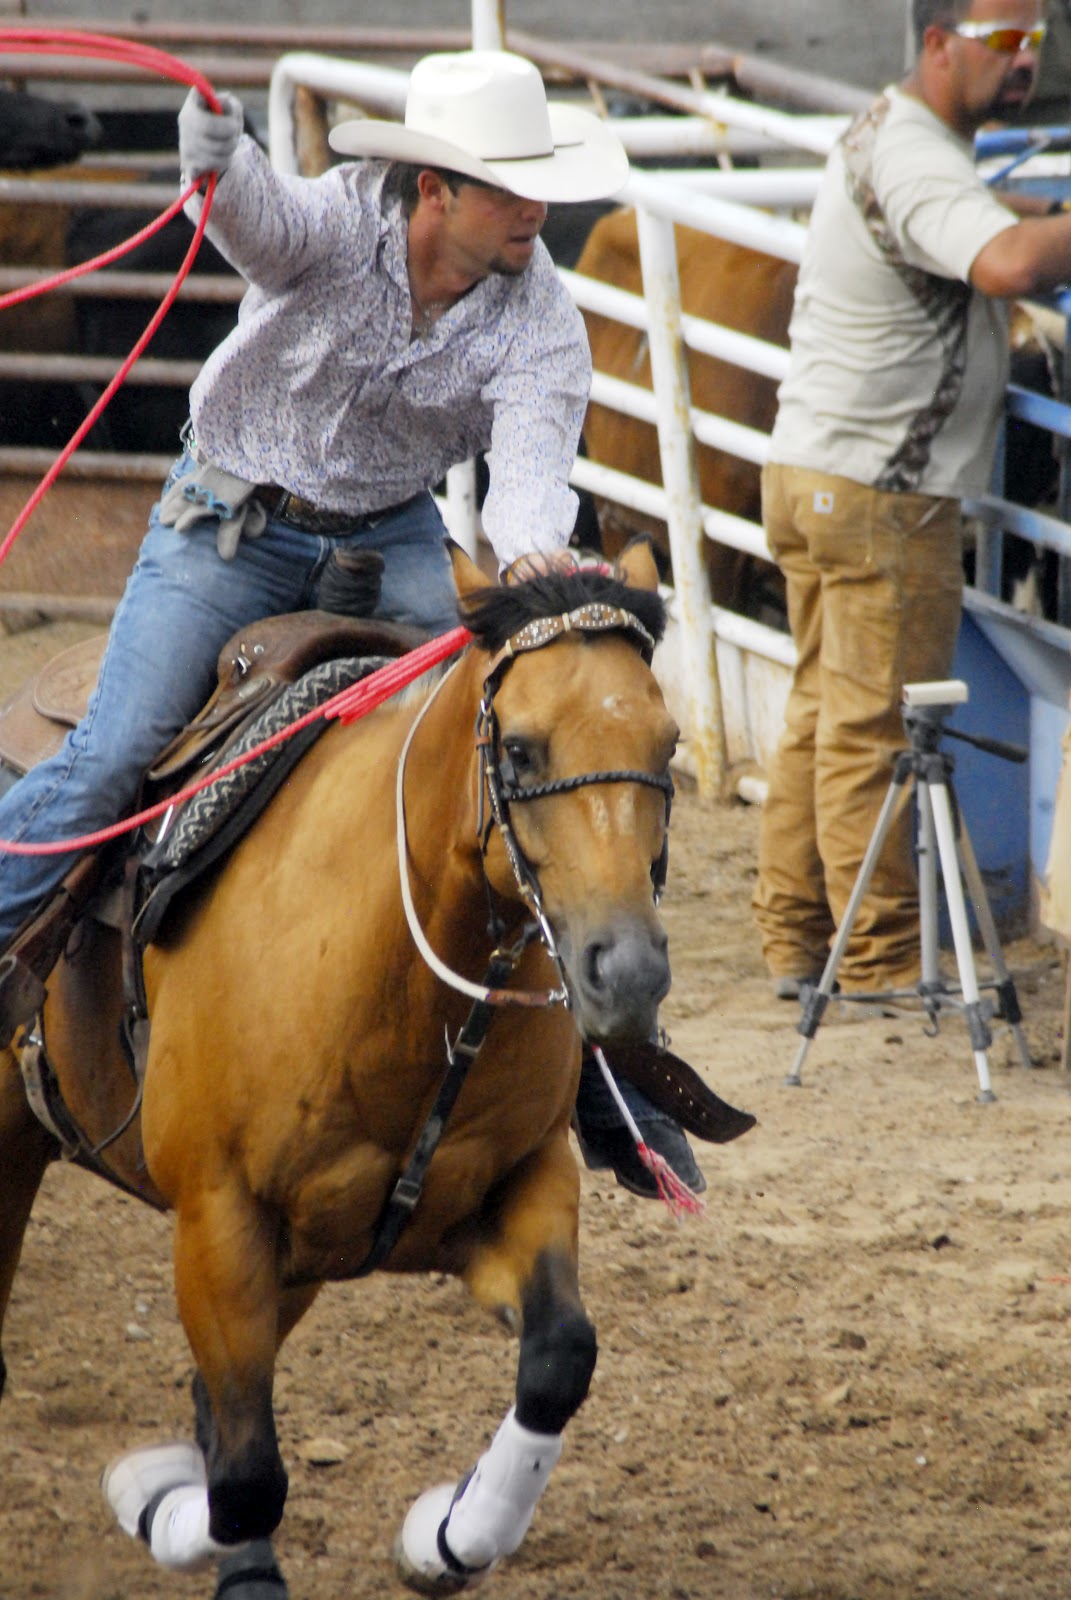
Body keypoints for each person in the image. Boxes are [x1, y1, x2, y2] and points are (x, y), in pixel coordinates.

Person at [0, 48, 702, 1197]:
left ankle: (601, 1073)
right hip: (230, 524)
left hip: (392, 538)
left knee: (496, 759)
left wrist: (538, 563)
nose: (537, 208)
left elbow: (529, 485)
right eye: (507, 186)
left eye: (538, 183)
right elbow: (261, 224)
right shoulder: (336, 223)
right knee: (115, 753)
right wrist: (220, 166)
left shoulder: (544, 323)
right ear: (434, 190)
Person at [752, 0, 1071, 1000]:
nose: (1024, 61)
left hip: (815, 470)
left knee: (819, 716)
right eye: (1002, 42)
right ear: (936, 45)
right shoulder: (923, 154)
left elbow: (981, 231)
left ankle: (796, 939)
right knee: (877, 729)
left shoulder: (890, 128)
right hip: (885, 492)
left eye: (1039, 42)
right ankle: (884, 961)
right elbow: (1008, 265)